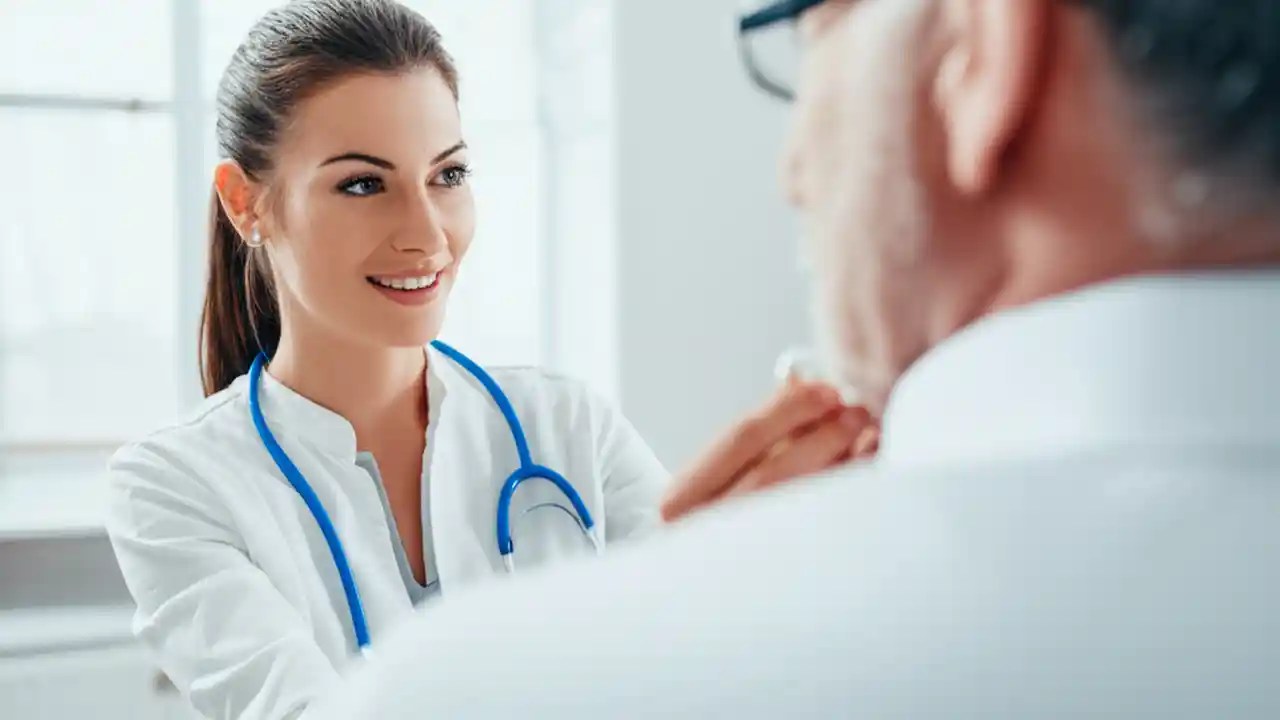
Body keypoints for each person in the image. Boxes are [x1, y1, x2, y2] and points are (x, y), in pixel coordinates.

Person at [309, 0, 1280, 716]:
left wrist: (664, 626)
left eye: (810, 30)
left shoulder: (485, 693)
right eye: (364, 184)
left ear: (984, 54)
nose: (790, 171)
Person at [105, 1, 873, 718]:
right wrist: (648, 612)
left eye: (449, 176)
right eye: (363, 184)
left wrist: (735, 573)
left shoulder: (566, 425)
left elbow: (709, 673)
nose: (427, 233)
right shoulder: (173, 489)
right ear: (247, 203)